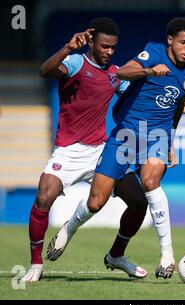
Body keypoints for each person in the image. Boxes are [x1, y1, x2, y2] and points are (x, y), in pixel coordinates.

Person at [47, 17, 185, 279]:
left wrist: (171, 140)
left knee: (151, 182)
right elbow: (122, 72)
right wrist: (151, 71)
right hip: (126, 136)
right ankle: (69, 228)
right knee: (96, 202)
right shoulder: (152, 52)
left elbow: (175, 106)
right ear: (170, 40)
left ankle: (166, 255)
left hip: (157, 137)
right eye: (183, 42)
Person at [22, 17, 150, 282]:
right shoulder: (76, 62)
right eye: (104, 46)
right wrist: (67, 48)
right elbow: (45, 71)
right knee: (44, 198)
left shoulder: (116, 73)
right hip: (68, 151)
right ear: (91, 41)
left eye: (113, 47)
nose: (109, 52)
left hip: (100, 151)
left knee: (139, 202)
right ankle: (36, 263)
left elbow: (134, 99)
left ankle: (116, 255)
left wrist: (175, 105)